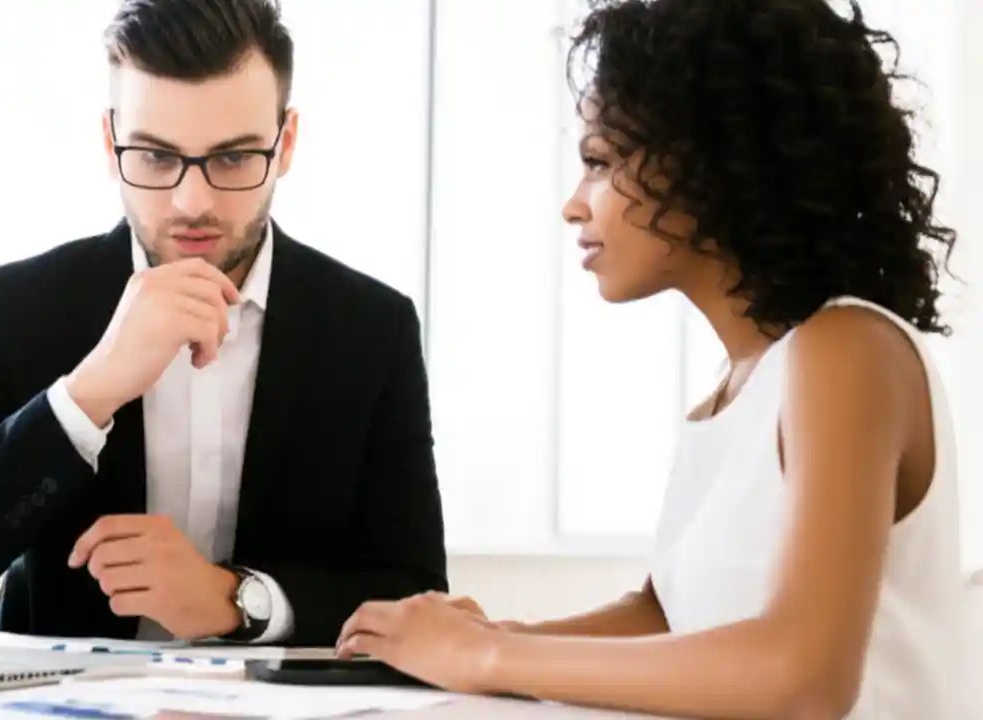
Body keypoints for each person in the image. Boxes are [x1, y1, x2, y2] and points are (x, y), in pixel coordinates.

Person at [336, 0, 963, 716]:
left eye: (600, 162)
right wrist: (490, 639)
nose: (575, 205)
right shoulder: (732, 392)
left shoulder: (847, 350)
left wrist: (488, 655)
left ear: (713, 164)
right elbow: (669, 616)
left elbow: (803, 677)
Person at [0, 0, 447, 647]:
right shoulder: (16, 307)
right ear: (111, 144)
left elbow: (415, 592)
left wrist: (240, 600)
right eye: (156, 158)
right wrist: (88, 394)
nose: (194, 203)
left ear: (286, 144)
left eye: (234, 159)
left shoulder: (371, 328)